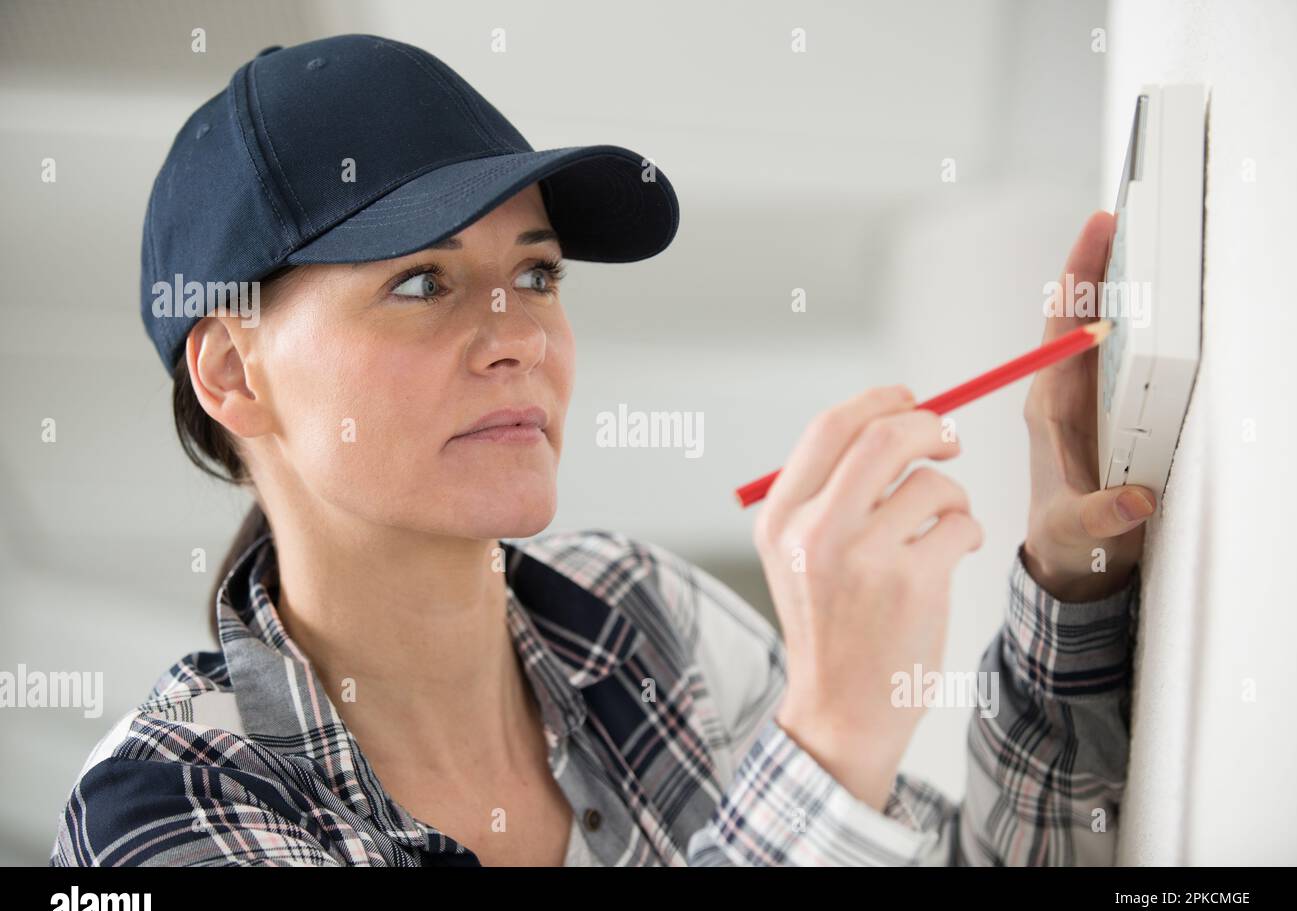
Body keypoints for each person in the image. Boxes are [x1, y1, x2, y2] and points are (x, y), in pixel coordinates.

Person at [50, 34, 1150, 867]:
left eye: (536, 272)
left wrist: (1066, 581)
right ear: (235, 373)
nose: (522, 337)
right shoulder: (162, 804)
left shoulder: (645, 613)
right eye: (422, 282)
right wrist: (824, 752)